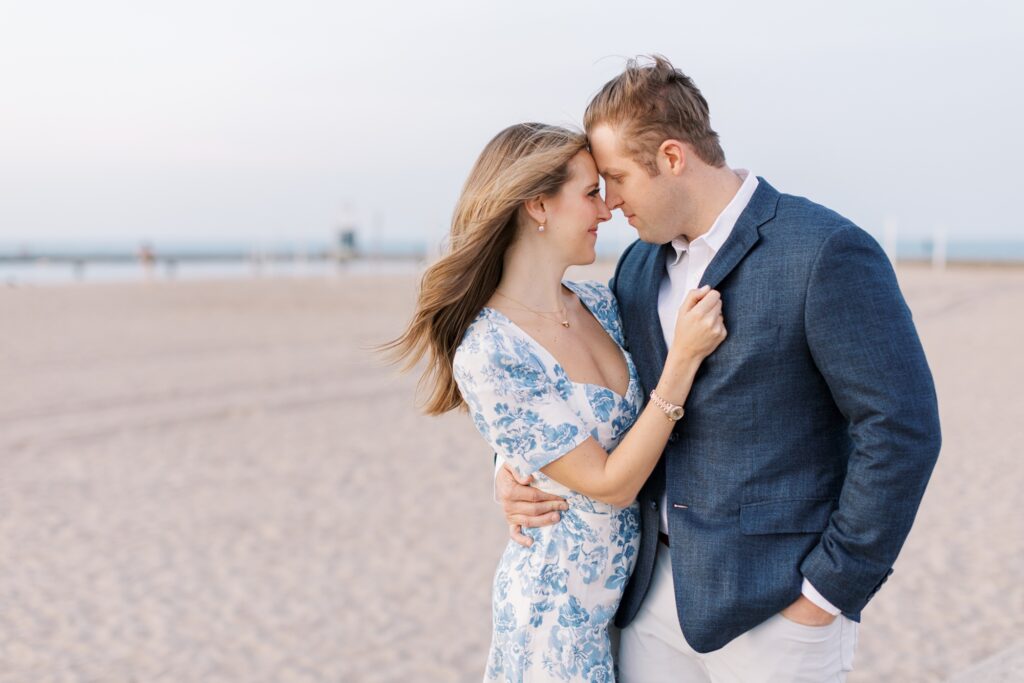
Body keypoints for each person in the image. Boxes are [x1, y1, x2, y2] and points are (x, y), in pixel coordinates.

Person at [497, 57, 942, 682]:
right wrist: (514, 468)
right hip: (650, 598)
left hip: (779, 608)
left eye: (619, 178)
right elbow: (593, 388)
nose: (612, 201)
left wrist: (828, 592)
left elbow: (902, 429)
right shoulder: (636, 270)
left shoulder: (822, 251)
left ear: (673, 158)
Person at [384, 122, 726, 682]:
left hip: (627, 612)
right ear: (538, 205)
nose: (608, 209)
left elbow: (555, 429)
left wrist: (507, 466)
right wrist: (683, 361)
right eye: (591, 193)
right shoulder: (488, 349)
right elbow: (611, 482)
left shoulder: (601, 305)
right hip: (552, 625)